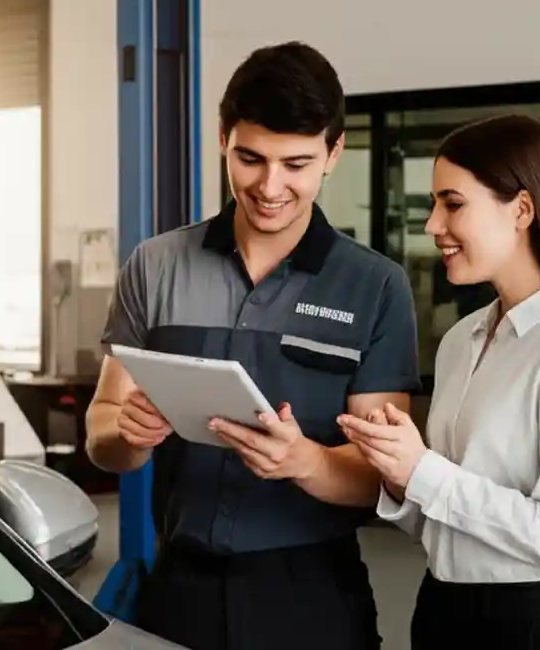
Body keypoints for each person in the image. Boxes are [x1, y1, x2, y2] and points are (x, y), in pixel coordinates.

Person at [85, 41, 421, 650]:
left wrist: (308, 463)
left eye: (296, 164)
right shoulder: (155, 266)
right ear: (223, 139)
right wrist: (126, 438)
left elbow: (385, 477)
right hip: (180, 586)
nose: (270, 186)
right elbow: (102, 433)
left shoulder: (376, 287)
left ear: (333, 153)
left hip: (312, 593)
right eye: (250, 158)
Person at [339, 114, 540, 649]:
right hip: (443, 610)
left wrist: (424, 471)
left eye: (452, 204)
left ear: (522, 209)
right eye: (434, 204)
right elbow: (447, 525)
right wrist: (399, 476)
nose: (433, 225)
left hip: (536, 626)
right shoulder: (462, 340)